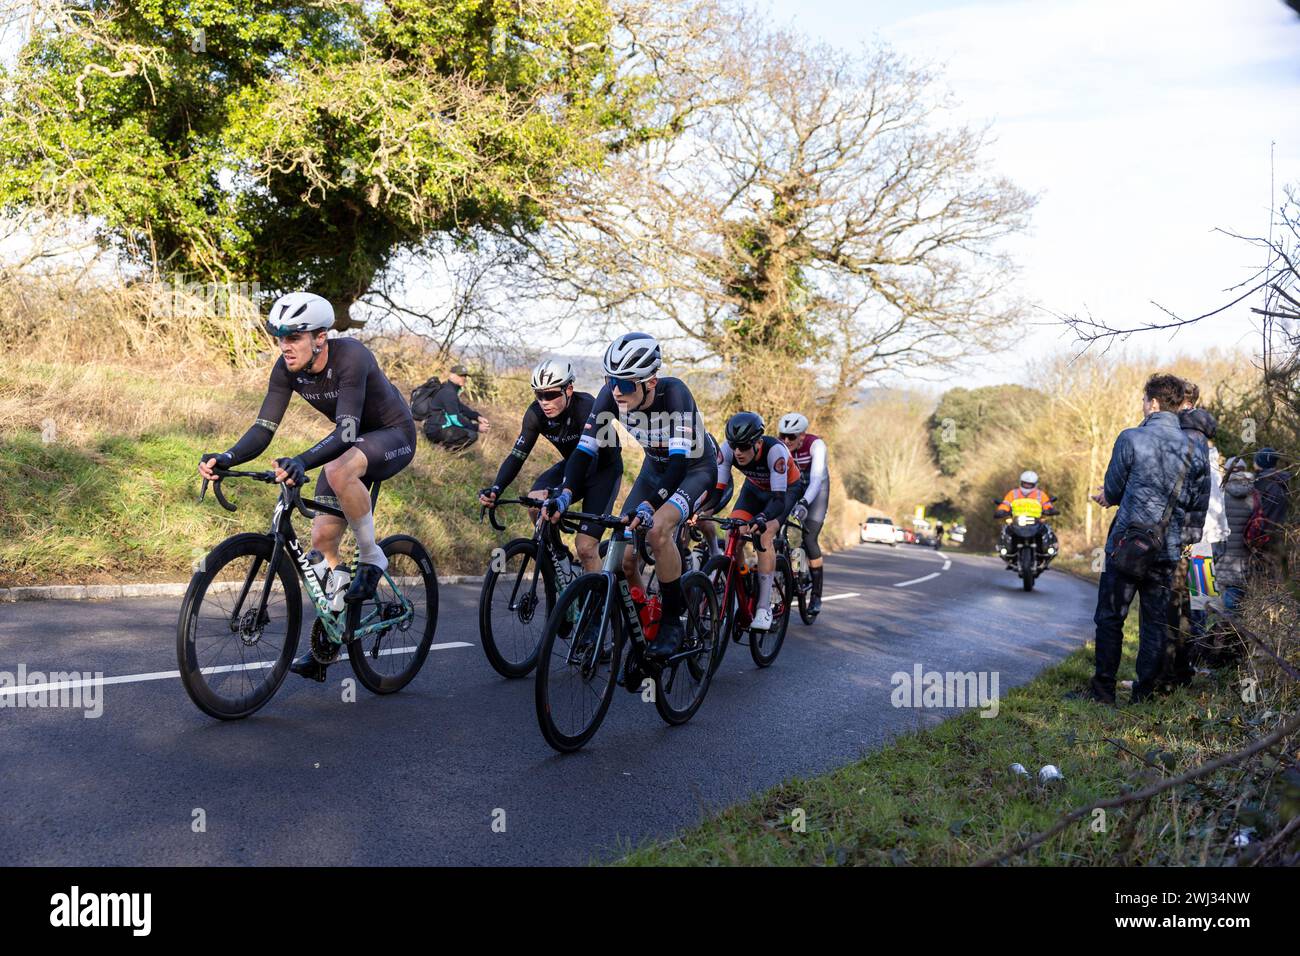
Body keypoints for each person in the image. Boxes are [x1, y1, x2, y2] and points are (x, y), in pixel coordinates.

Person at [198, 292, 417, 680]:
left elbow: (348, 431)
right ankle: (330, 643)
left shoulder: (351, 357)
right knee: (321, 544)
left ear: (320, 337)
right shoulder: (286, 369)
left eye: (294, 337)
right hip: (349, 447)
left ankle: (372, 556)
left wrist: (301, 460)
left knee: (336, 469)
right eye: (280, 336)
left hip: (391, 435)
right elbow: (263, 429)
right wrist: (228, 457)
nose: (285, 345)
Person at [545, 332, 717, 661]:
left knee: (656, 529)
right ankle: (640, 622)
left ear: (650, 381)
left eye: (624, 385)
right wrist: (565, 494)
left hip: (694, 469)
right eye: (611, 380)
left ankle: (670, 623)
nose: (615, 391)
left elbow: (679, 464)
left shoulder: (675, 393)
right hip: (655, 468)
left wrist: (651, 505)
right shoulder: (611, 396)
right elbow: (583, 452)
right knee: (623, 553)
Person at [1086, 374, 1209, 705]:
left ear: (1153, 404)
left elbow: (1112, 489)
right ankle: (1144, 694)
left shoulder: (1131, 438)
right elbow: (1200, 502)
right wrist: (1188, 536)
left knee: (1110, 617)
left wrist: (1109, 497)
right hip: (1167, 551)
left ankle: (1103, 692)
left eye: (1144, 401)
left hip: (1127, 545)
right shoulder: (1195, 449)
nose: (1142, 405)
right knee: (1155, 623)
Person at [478, 359, 622, 572]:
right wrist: (497, 488)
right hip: (571, 465)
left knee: (585, 548)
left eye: (552, 394)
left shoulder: (587, 408)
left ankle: (594, 602)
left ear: (569, 389)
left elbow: (594, 458)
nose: (544, 401)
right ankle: (561, 560)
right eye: (539, 394)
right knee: (536, 502)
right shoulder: (535, 414)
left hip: (602, 470)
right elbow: (517, 455)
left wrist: (561, 490)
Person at [703, 412, 802, 630]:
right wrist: (701, 511)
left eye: (744, 447)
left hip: (783, 492)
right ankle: (744, 577)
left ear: (758, 443)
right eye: (734, 446)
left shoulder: (775, 452)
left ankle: (764, 609)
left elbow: (777, 500)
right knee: (732, 533)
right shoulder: (727, 449)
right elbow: (717, 492)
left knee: (763, 535)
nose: (738, 452)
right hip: (754, 490)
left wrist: (763, 517)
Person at [778, 413, 829, 613]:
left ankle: (816, 595)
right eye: (783, 436)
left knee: (809, 539)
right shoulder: (779, 446)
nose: (786, 441)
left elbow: (816, 480)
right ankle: (791, 571)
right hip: (795, 486)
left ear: (803, 435)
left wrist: (805, 503)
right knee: (782, 532)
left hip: (817, 489)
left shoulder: (817, 445)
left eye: (792, 436)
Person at [1217, 456, 1255, 614]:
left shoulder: (1220, 493)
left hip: (1224, 554)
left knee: (1223, 606)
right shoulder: (1254, 492)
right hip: (1245, 556)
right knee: (1238, 602)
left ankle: (1227, 634)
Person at [1250, 447, 1292, 584]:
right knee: (1277, 574)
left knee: (1264, 574)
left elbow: (1257, 512)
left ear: (1261, 462)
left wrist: (1255, 534)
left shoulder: (1262, 483)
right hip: (1279, 532)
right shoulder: (1281, 481)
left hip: (1264, 535)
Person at [995, 470, 1059, 558]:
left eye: (1030, 484)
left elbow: (1046, 504)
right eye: (1025, 484)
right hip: (1017, 520)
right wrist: (1001, 511)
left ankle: (1049, 549)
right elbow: (1005, 504)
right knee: (1006, 530)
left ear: (1035, 484)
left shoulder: (1040, 494)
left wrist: (1050, 510)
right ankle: (1005, 549)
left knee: (1047, 530)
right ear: (1021, 482)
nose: (1027, 486)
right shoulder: (1013, 493)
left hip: (1036, 521)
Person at [425, 363, 490, 450]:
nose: (464, 378)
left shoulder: (450, 390)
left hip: (436, 426)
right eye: (460, 375)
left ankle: (442, 448)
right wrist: (476, 427)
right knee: (472, 435)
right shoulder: (449, 393)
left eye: (465, 376)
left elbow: (462, 408)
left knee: (466, 424)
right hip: (436, 429)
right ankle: (444, 450)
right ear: (452, 376)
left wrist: (477, 417)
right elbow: (455, 419)